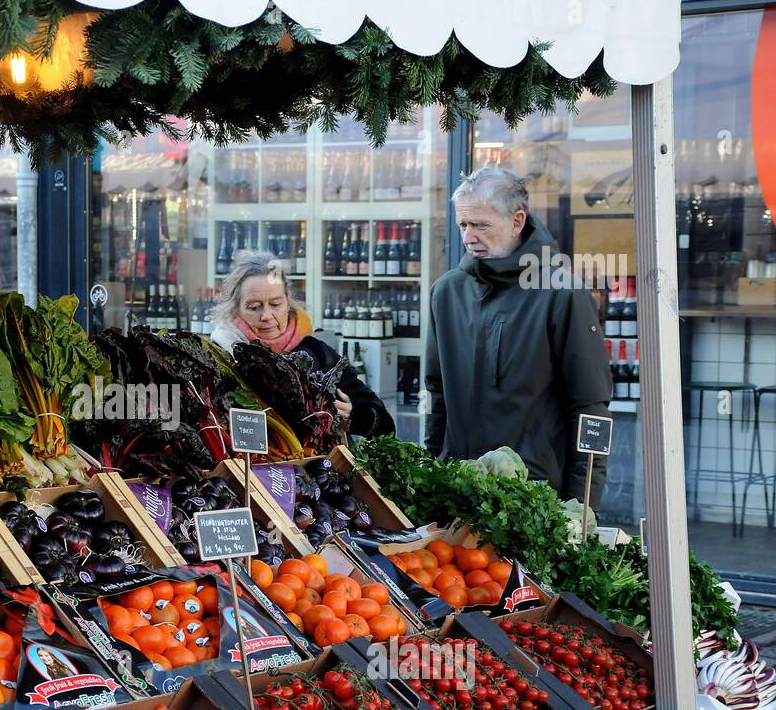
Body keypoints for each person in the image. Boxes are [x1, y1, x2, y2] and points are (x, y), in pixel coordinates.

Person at [425, 167, 613, 506]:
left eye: (481, 225)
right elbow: (437, 395)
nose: (468, 238)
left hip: (533, 501)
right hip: (455, 492)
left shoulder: (562, 294)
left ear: (517, 221)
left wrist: (582, 508)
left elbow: (589, 408)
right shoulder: (446, 293)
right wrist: (430, 472)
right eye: (463, 225)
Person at [209, 250, 394, 438]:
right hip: (242, 466)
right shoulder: (218, 356)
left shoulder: (316, 352)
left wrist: (353, 413)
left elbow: (385, 424)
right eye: (254, 307)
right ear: (235, 307)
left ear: (288, 300)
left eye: (275, 304)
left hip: (319, 465)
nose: (266, 316)